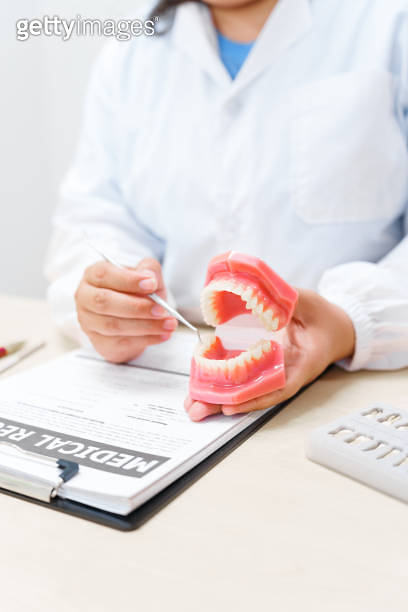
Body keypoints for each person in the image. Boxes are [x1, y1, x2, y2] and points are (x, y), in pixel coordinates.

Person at [45, 0, 408, 421]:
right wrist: (111, 304)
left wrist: (351, 320)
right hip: (170, 378)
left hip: (359, 387)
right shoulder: (131, 50)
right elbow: (93, 215)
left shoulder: (390, 23)